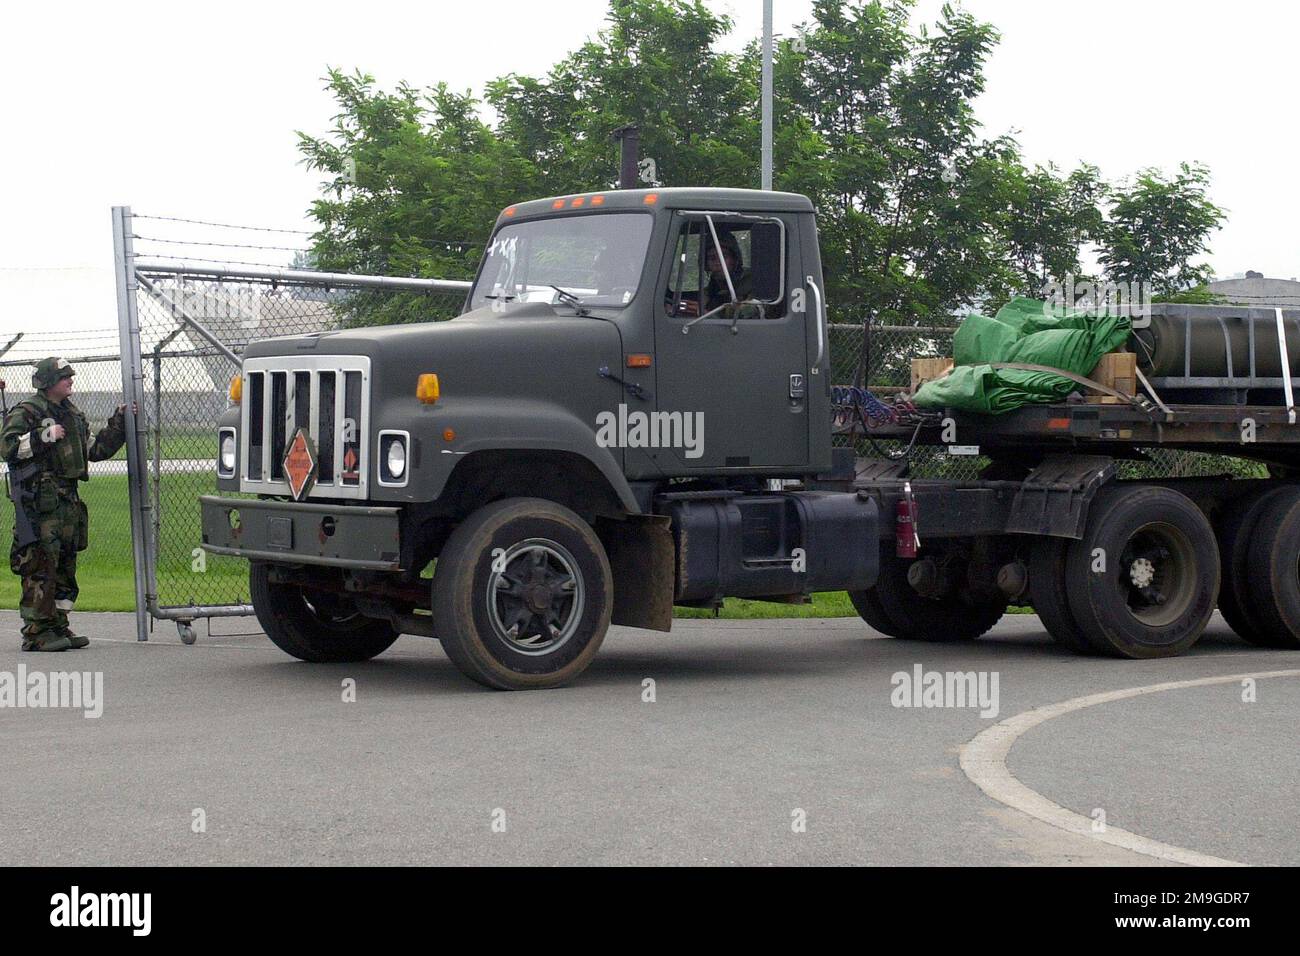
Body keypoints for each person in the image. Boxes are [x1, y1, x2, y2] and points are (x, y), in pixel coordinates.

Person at [0, 358, 133, 651]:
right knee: (40, 564)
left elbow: (95, 450)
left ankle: (58, 625)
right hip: (40, 504)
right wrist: (43, 436)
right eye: (64, 377)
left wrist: (119, 423)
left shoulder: (71, 415)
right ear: (48, 382)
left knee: (64, 566)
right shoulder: (28, 411)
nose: (71, 380)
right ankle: (36, 632)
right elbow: (6, 447)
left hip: (68, 501)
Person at [673, 230, 758, 318]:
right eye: (712, 258)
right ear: (706, 264)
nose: (718, 262)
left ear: (734, 259)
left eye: (724, 256)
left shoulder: (754, 283)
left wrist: (707, 315)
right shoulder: (710, 290)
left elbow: (749, 314)